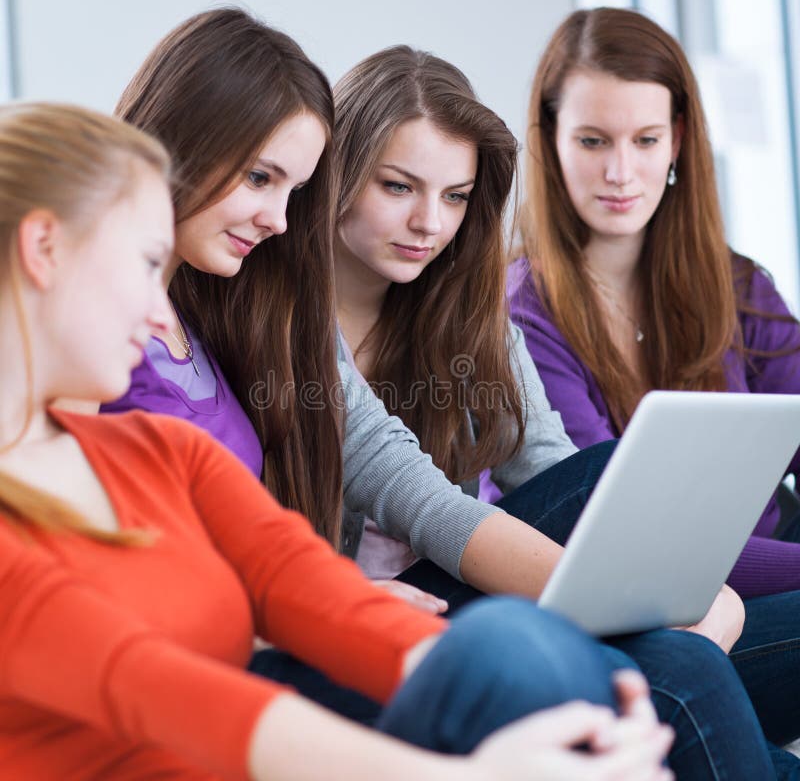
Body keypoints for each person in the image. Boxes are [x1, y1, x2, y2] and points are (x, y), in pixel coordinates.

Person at [100, 8, 796, 778]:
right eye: (398, 187)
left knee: (630, 548)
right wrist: (342, 603)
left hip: (358, 604)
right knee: (676, 666)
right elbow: (389, 493)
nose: (430, 223)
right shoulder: (213, 315)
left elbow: (562, 478)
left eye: (457, 197)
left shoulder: (452, 313)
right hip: (321, 623)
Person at [0, 100, 681, 781]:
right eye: (146, 263)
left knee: (515, 650)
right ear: (43, 250)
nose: (160, 309)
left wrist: (539, 692)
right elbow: (165, 692)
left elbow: (318, 593)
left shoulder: (161, 452)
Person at [507, 6, 800, 600]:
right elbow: (632, 539)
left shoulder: (738, 284)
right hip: (660, 601)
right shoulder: (525, 317)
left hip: (775, 559)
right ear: (550, 141)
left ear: (678, 141)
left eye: (646, 140)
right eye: (593, 141)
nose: (621, 172)